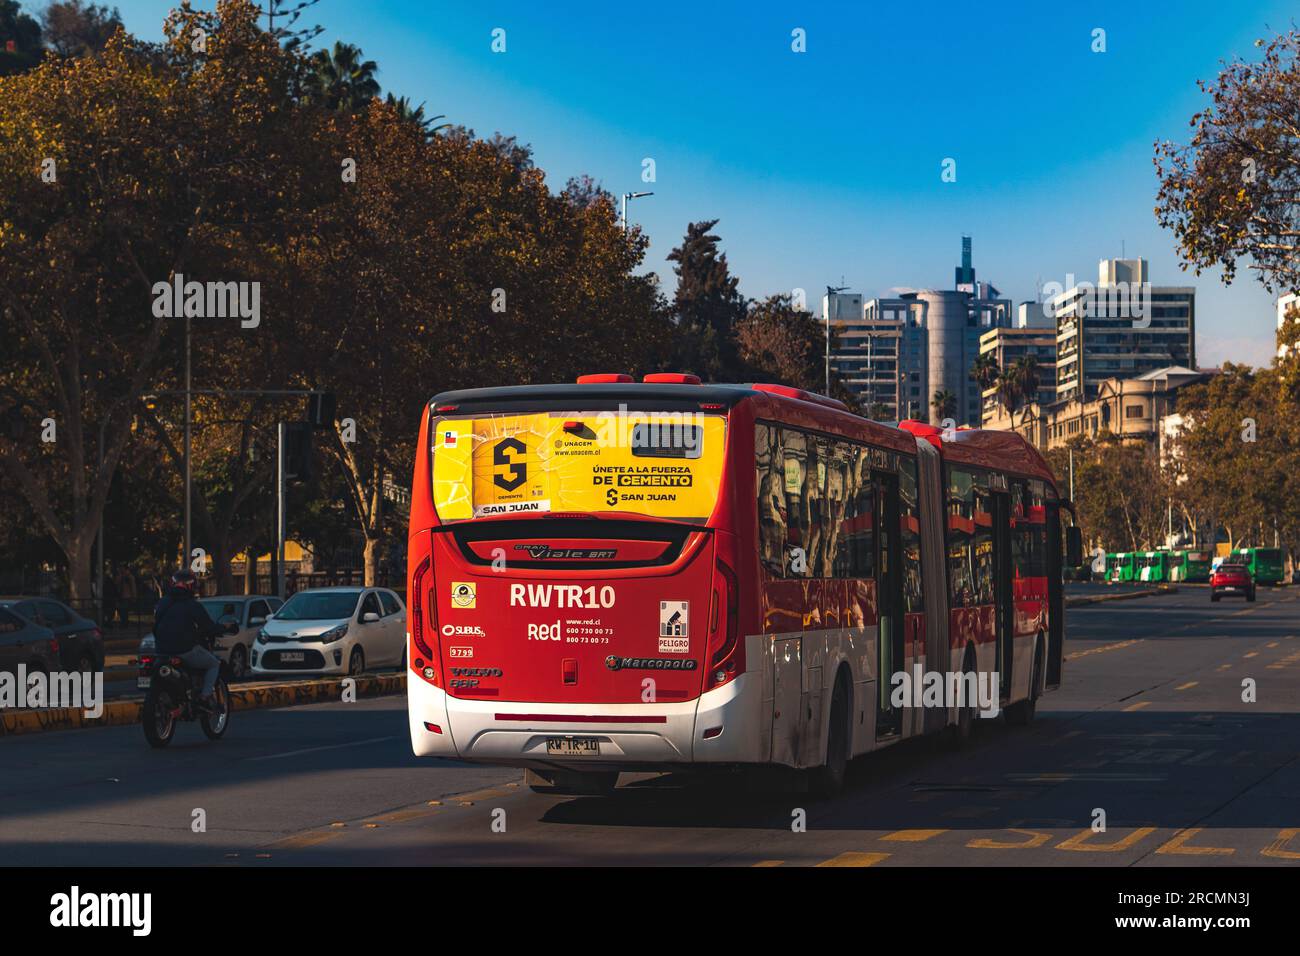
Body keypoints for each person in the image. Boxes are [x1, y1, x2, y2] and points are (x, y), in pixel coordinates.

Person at [153, 569, 222, 706]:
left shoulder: (162, 603)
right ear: (191, 586)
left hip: (161, 651)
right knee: (214, 663)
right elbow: (208, 626)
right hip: (185, 650)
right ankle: (205, 696)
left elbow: (155, 625)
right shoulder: (192, 605)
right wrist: (223, 628)